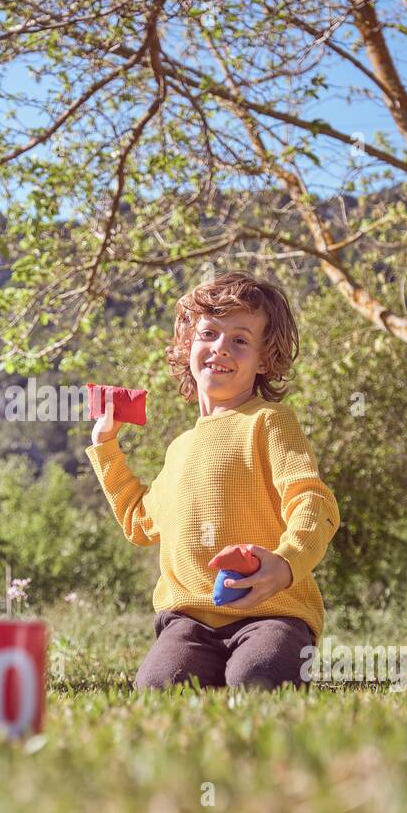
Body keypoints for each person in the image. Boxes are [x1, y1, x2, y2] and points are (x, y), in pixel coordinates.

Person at [85, 271, 340, 690]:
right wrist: (106, 446)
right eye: (209, 333)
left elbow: (312, 501)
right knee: (159, 688)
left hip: (273, 612)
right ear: (189, 346)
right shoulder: (180, 448)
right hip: (187, 621)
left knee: (257, 676)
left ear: (264, 359)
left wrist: (286, 563)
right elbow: (139, 522)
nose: (220, 347)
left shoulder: (270, 422)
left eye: (240, 339)